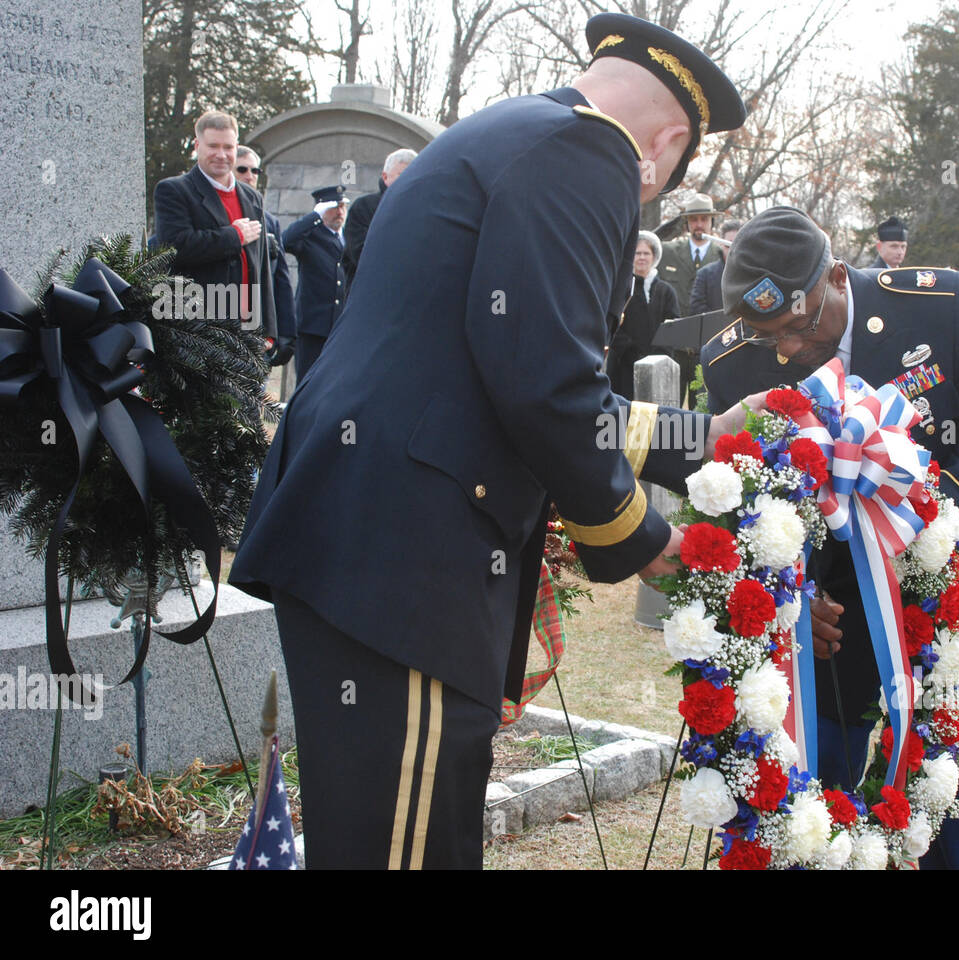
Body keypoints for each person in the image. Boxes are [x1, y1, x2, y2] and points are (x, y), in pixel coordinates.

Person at [229, 12, 749, 870]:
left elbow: (507, 364)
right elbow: (546, 384)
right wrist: (645, 539)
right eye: (653, 190)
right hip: (409, 552)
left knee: (387, 829)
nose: (641, 198)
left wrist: (702, 439)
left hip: (375, 529)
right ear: (666, 141)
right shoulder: (590, 153)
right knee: (405, 847)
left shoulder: (517, 131)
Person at [705, 206, 959, 867]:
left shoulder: (935, 306)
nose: (789, 350)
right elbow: (755, 503)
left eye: (800, 327)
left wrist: (924, 531)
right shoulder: (734, 359)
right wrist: (795, 596)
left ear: (834, 277)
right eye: (770, 335)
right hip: (834, 622)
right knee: (814, 802)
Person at [153, 110, 277, 336]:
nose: (221, 154)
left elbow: (261, 267)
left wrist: (267, 329)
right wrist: (235, 236)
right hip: (196, 329)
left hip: (246, 332)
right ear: (197, 145)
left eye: (228, 147)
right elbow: (175, 247)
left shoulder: (252, 197)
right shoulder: (173, 190)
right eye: (213, 146)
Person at [235, 145, 295, 368]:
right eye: (242, 169)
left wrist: (287, 333)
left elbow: (280, 279)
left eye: (255, 171)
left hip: (258, 332)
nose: (250, 176)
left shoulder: (269, 221)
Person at [281, 185, 348, 380]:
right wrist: (314, 217)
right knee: (307, 380)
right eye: (334, 207)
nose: (340, 212)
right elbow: (285, 241)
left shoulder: (346, 237)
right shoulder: (310, 235)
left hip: (339, 325)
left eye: (343, 207)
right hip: (312, 324)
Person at [606, 230, 680, 397]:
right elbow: (612, 324)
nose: (641, 257)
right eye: (637, 253)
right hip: (624, 366)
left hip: (660, 365)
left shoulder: (666, 291)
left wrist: (658, 356)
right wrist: (634, 355)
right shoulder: (620, 288)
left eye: (646, 253)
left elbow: (672, 325)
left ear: (654, 257)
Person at [342, 147, 418, 295]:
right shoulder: (364, 208)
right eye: (401, 175)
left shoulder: (421, 209)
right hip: (370, 295)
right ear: (385, 177)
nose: (408, 180)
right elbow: (361, 254)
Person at [658, 193, 723, 309]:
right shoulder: (667, 252)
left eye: (704, 219)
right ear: (686, 223)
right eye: (693, 219)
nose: (699, 225)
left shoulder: (722, 256)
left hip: (712, 325)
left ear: (711, 222)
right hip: (674, 324)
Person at [689, 217, 742, 314]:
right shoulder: (705, 275)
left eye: (738, 245)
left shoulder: (754, 273)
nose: (733, 251)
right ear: (722, 245)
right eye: (728, 246)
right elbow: (696, 307)